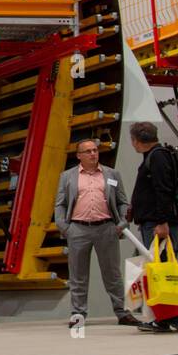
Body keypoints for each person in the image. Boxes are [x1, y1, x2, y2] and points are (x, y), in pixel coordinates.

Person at [54, 138, 144, 328]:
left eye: (95, 150)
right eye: (88, 151)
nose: (93, 154)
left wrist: (121, 223)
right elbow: (60, 204)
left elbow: (123, 202)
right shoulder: (67, 176)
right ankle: (78, 314)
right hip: (77, 229)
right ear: (79, 155)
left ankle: (123, 313)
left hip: (107, 228)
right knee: (78, 274)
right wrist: (65, 227)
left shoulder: (111, 174)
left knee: (113, 274)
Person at [127, 121, 178, 333]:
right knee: (160, 271)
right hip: (154, 221)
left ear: (136, 140)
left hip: (158, 223)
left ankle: (172, 319)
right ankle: (166, 318)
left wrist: (162, 223)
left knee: (163, 271)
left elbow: (163, 191)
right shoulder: (155, 155)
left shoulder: (158, 156)